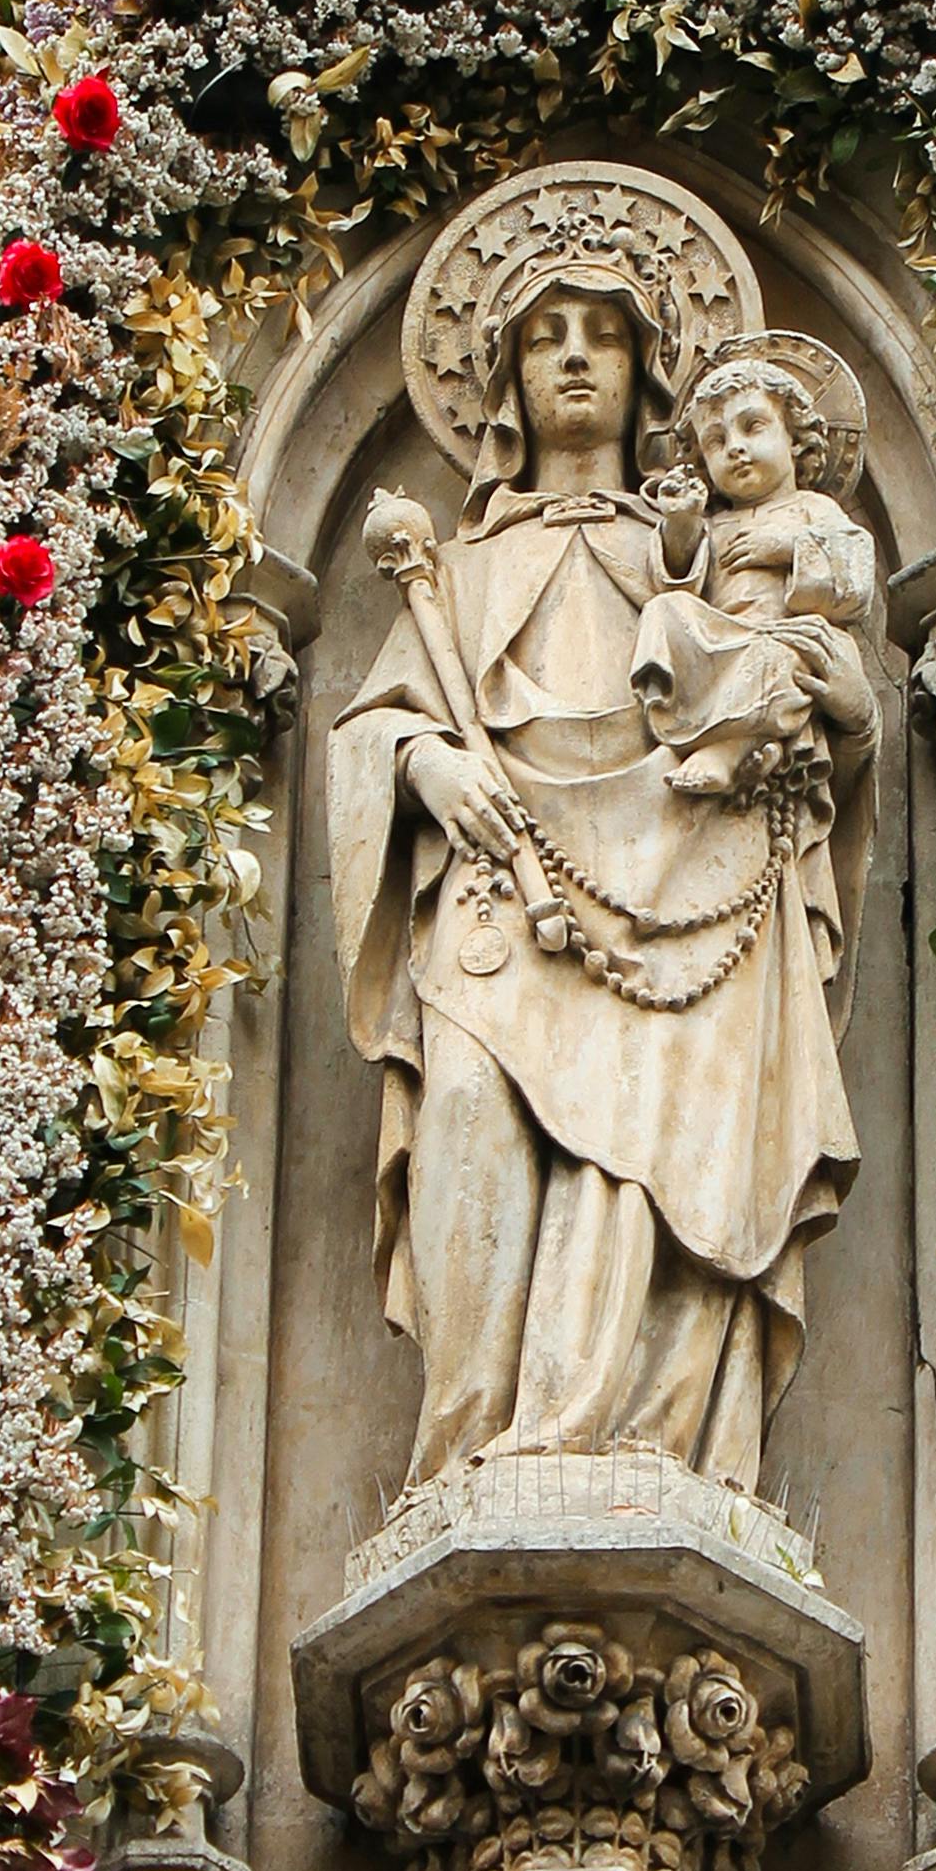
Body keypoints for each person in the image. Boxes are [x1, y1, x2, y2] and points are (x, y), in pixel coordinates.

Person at [330, 255, 879, 1495]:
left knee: (641, 1163)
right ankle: (468, 1453)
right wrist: (422, 768)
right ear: (509, 382)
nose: (575, 356)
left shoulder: (702, 551)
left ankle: (648, 1452)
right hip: (497, 886)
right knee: (468, 1120)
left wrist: (822, 721)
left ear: (645, 378)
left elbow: (814, 702)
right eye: (546, 337)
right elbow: (371, 728)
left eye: (604, 337)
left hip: (692, 901)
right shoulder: (456, 570)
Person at [631, 344, 879, 804]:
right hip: (724, 645)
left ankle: (735, 749)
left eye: (753, 426)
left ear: (795, 438)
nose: (736, 448)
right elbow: (676, 584)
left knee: (782, 654)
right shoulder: (715, 524)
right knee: (664, 610)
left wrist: (784, 548)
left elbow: (854, 579)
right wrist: (681, 528)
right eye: (716, 442)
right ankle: (684, 722)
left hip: (789, 639)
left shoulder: (813, 508)